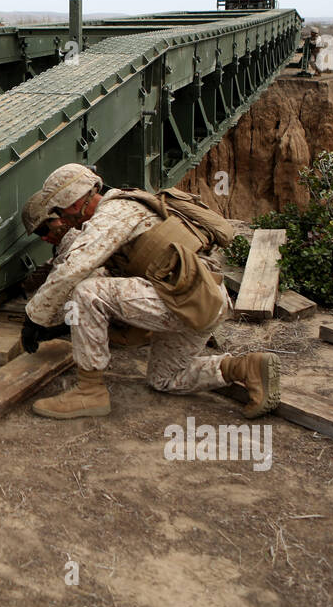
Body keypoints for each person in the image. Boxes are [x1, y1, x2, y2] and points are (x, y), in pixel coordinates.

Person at [20, 164, 280, 420]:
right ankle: (243, 368)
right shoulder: (127, 207)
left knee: (87, 292)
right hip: (201, 300)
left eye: (59, 210)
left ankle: (89, 391)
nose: (61, 218)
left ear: (74, 203)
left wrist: (34, 318)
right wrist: (55, 325)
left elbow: (75, 266)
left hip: (184, 299)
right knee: (166, 379)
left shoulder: (114, 212)